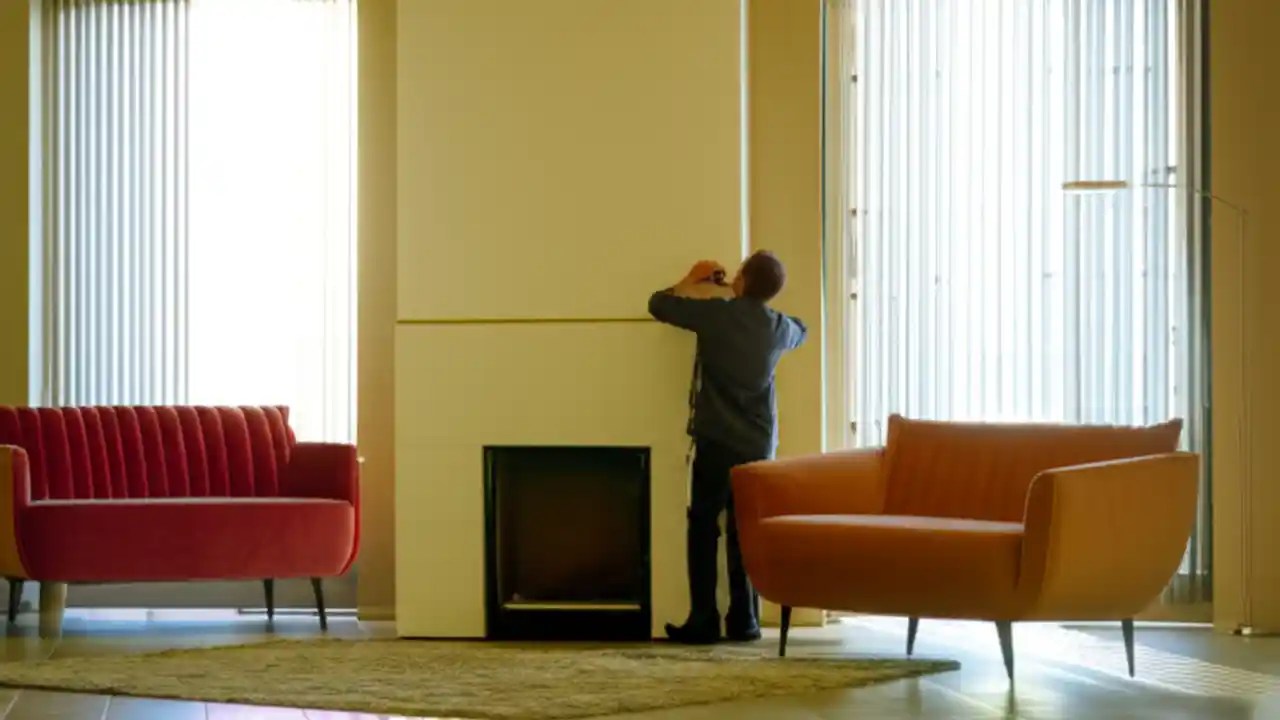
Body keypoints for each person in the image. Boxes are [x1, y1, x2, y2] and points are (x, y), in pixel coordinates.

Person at [647, 251, 808, 644]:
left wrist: (691, 280)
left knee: (704, 525)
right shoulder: (778, 328)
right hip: (757, 444)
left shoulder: (717, 315)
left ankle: (703, 620)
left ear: (742, 279)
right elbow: (802, 328)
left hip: (716, 437)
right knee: (742, 530)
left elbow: (659, 304)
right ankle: (745, 619)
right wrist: (743, 294)